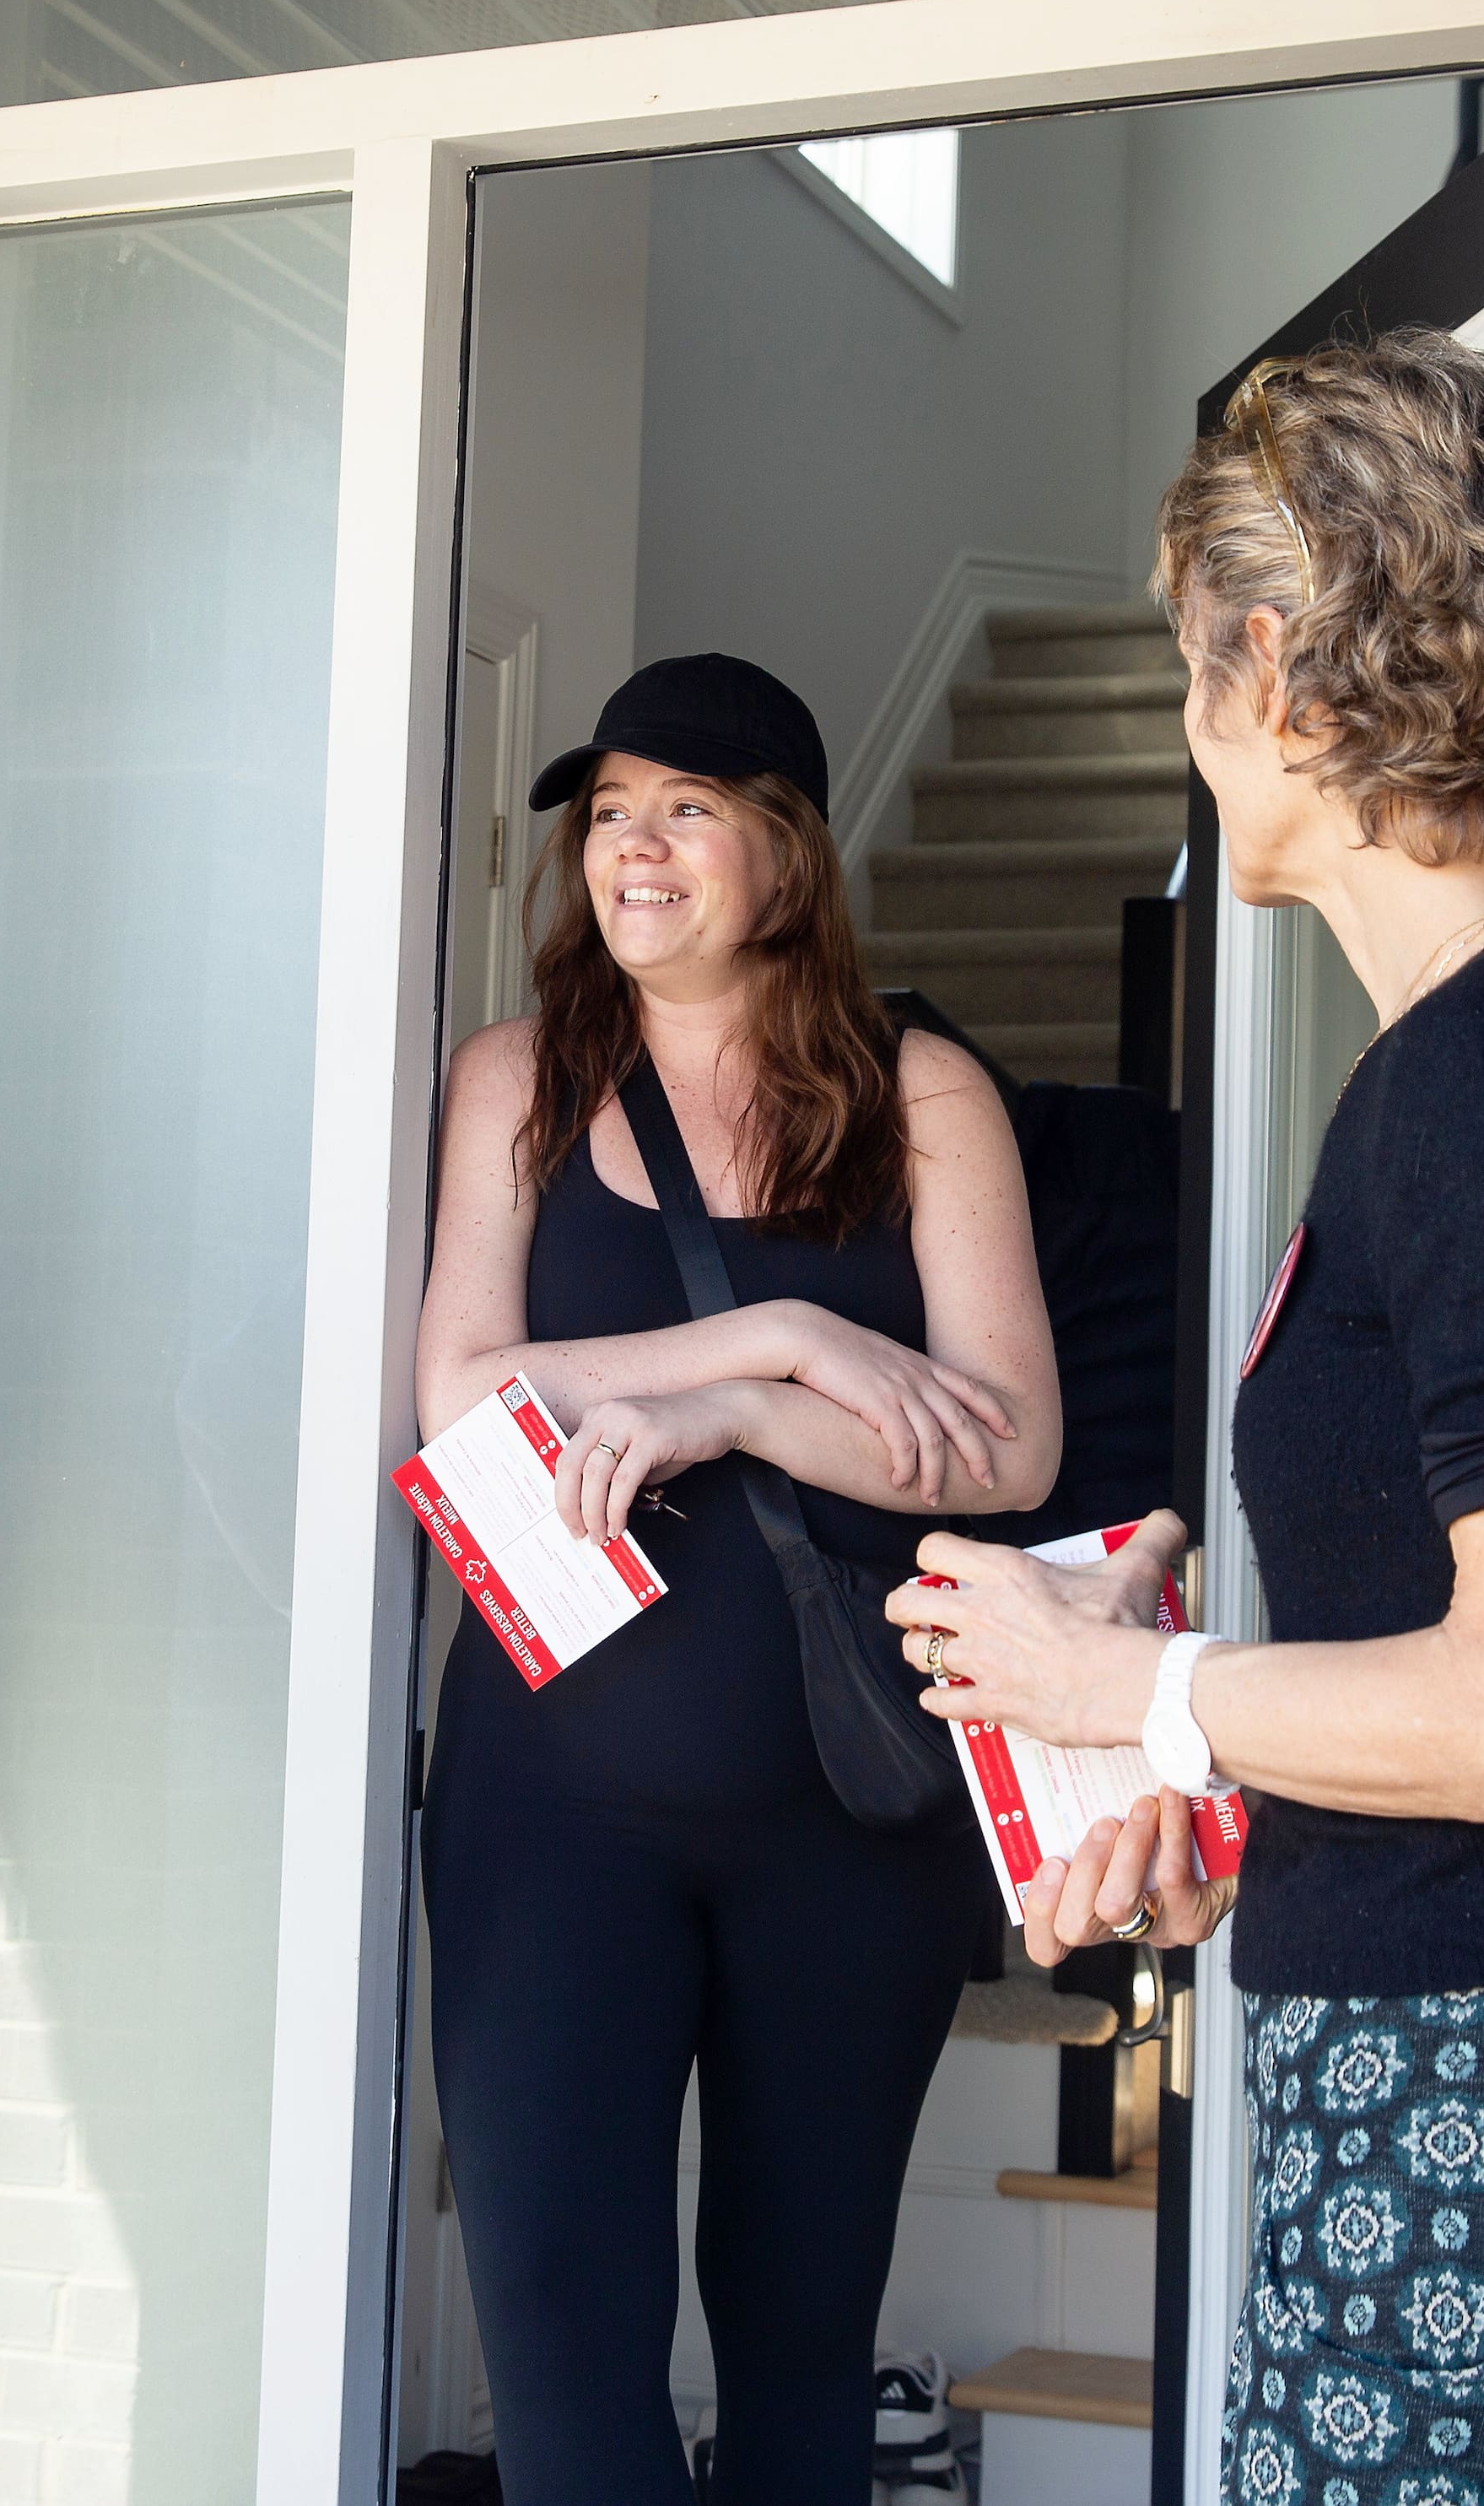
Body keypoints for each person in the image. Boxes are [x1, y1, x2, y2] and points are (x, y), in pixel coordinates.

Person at [891, 334, 1484, 2503]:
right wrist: (1223, 1760)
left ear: (1273, 664)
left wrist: (1131, 1688)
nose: (1188, 723)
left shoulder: (1475, 1095)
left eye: (1191, 663)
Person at [412, 651, 1066, 2503]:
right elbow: (462, 1394)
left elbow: (1008, 1448)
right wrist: (782, 1334)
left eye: (684, 809)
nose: (632, 846)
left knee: (798, 2352)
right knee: (562, 2350)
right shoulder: (520, 1079)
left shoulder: (921, 1092)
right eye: (611, 811)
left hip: (847, 1818)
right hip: (552, 1808)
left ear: (787, 848)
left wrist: (746, 1418)